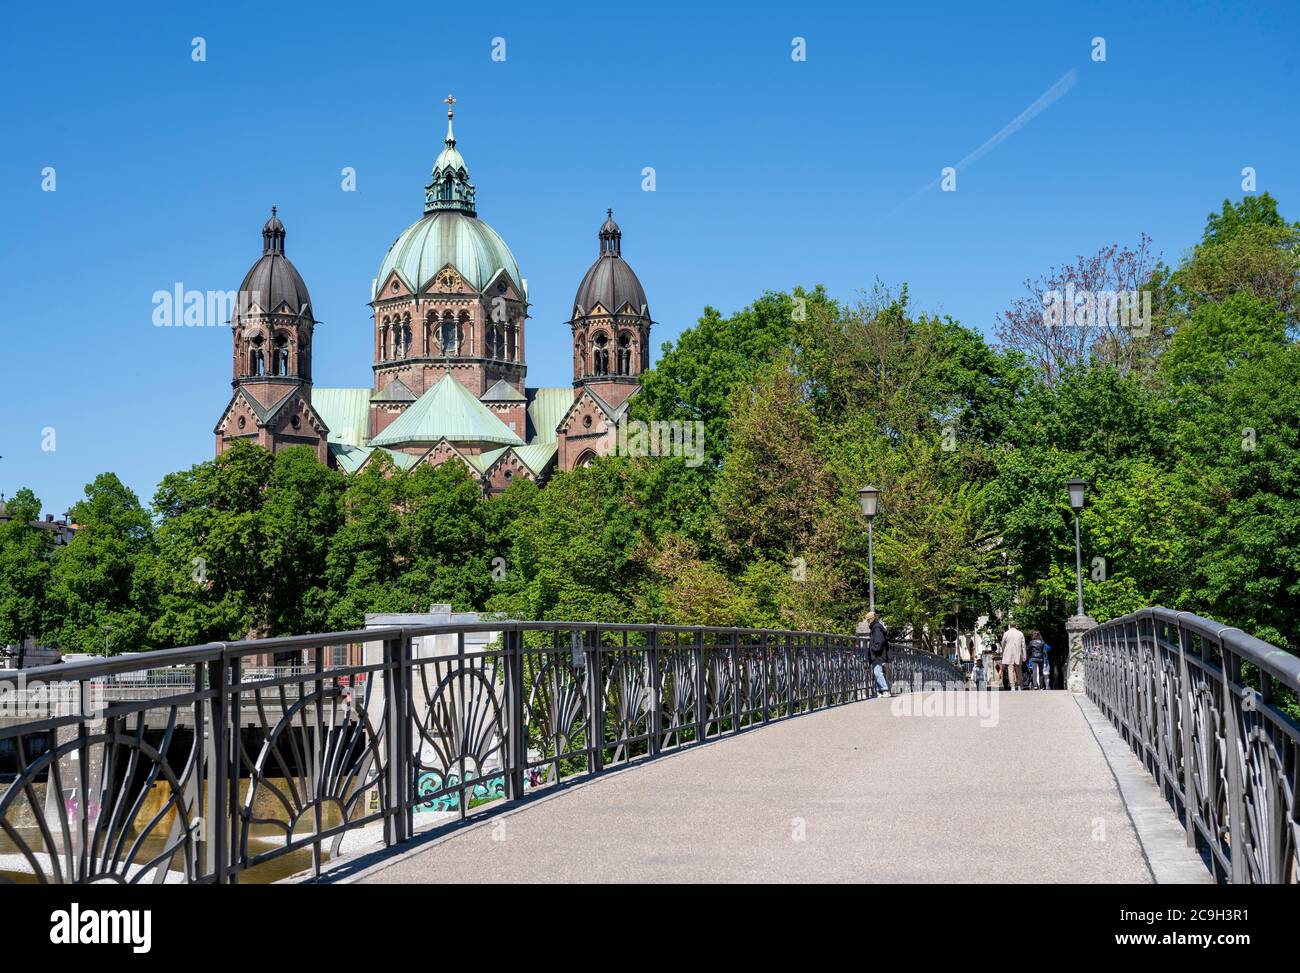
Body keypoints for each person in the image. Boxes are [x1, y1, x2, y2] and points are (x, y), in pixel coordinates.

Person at [858, 611, 891, 698]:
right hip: (880, 653)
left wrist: (873, 649)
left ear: (871, 619)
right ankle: (880, 691)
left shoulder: (876, 628)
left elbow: (879, 641)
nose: (868, 622)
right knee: (877, 672)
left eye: (868, 620)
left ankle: (885, 690)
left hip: (878, 654)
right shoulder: (877, 627)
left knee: (877, 672)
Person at [1000, 622, 1026, 691]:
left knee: (1010, 669)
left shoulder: (1006, 633)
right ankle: (1020, 685)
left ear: (1009, 626)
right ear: (1016, 626)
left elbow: (1002, 644)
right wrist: (1024, 655)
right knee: (1019, 669)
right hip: (1018, 653)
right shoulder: (1020, 633)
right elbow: (1023, 645)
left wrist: (1003, 652)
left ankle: (1012, 686)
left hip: (1009, 653)